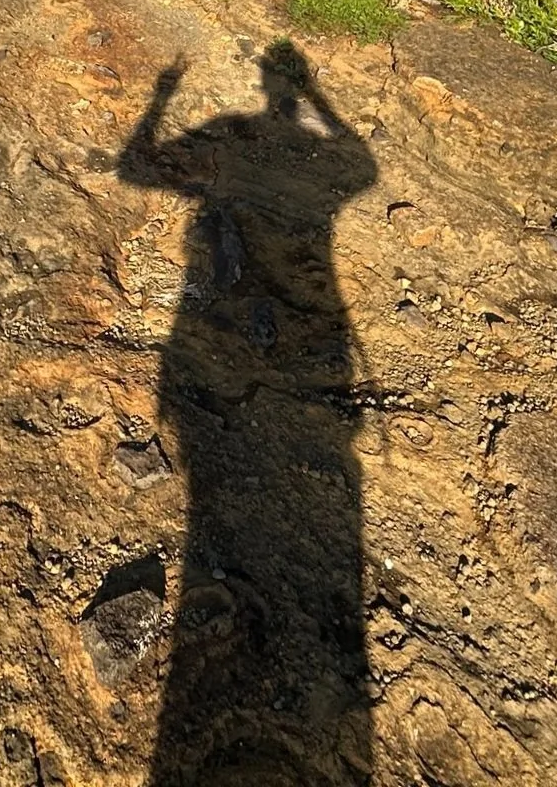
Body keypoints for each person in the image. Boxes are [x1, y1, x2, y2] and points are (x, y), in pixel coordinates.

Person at [116, 41, 379, 785]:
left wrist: (162, 96)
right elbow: (364, 167)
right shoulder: (300, 148)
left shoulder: (230, 134)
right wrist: (320, 103)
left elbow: (135, 166)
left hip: (210, 331)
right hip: (317, 327)